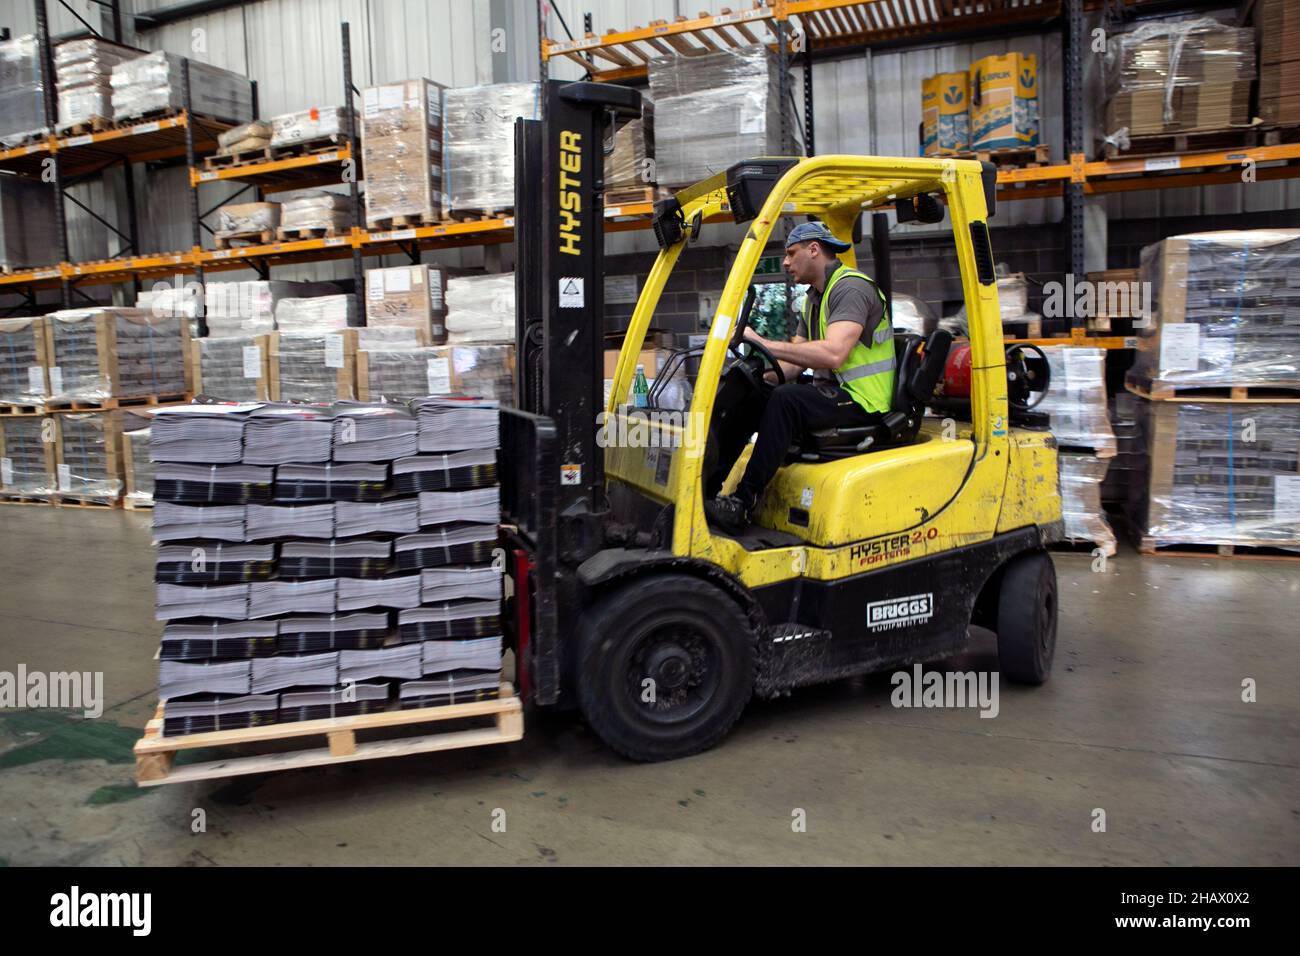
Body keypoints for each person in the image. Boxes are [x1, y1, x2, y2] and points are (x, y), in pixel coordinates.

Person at [704, 220, 895, 535]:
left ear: (814, 250)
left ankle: (742, 502)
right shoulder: (813, 299)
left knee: (786, 399)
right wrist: (755, 380)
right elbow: (791, 367)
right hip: (834, 393)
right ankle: (706, 490)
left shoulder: (850, 288)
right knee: (758, 393)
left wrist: (764, 343)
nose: (786, 262)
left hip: (865, 400)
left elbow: (834, 353)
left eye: (792, 253)